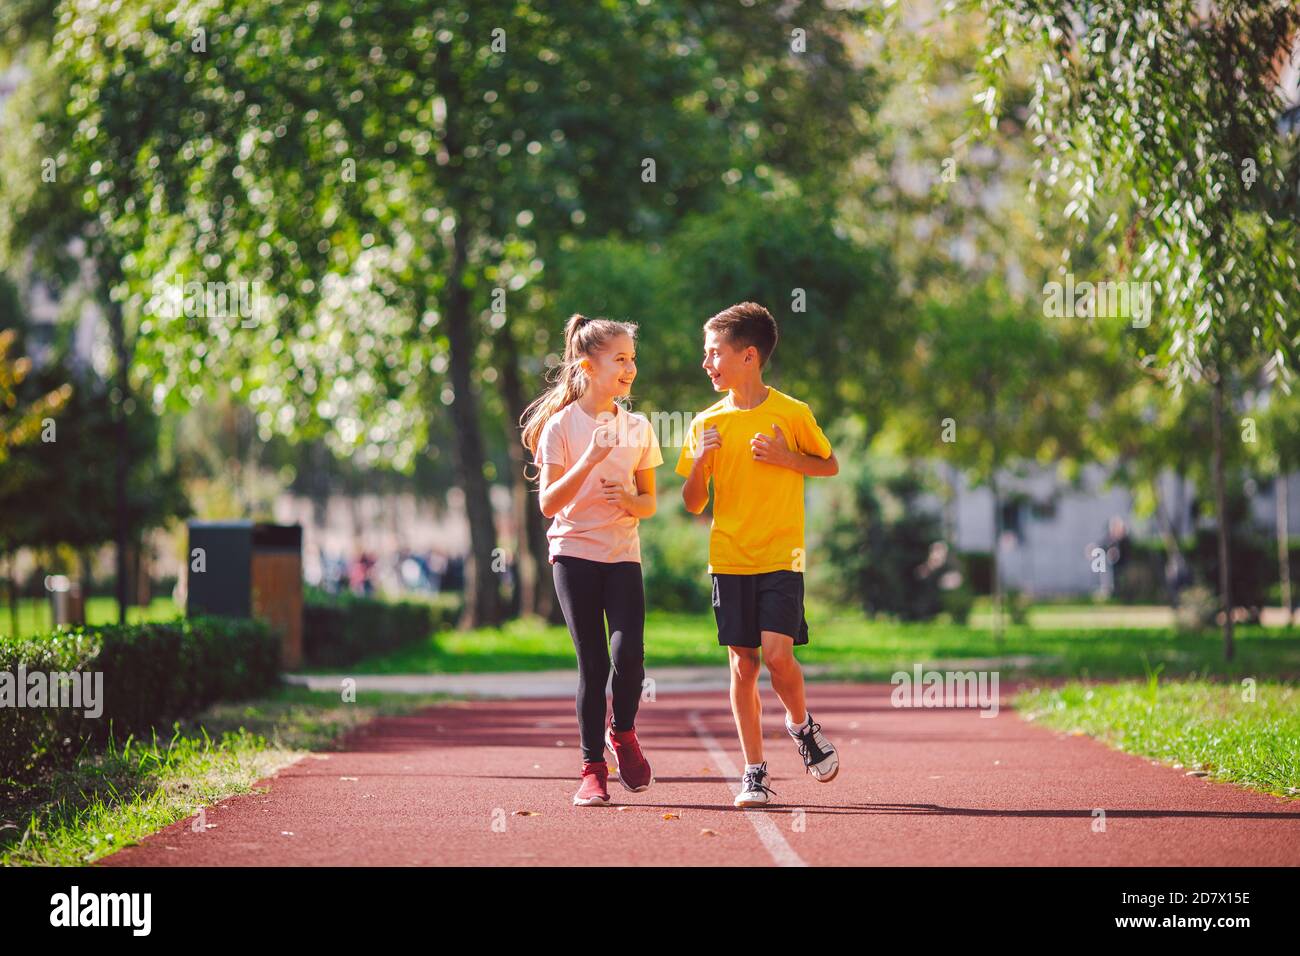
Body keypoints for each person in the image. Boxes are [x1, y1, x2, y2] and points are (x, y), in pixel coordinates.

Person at [676, 302, 841, 808]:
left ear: (748, 356)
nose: (706, 363)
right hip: (729, 558)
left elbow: (828, 464)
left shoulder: (792, 413)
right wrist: (702, 461)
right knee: (744, 666)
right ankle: (754, 771)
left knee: (776, 656)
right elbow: (692, 502)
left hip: (781, 554)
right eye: (705, 354)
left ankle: (800, 724)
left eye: (713, 353)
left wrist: (785, 457)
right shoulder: (706, 421)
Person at [520, 314, 663, 807]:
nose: (630, 369)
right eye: (619, 359)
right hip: (574, 555)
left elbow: (649, 503)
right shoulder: (561, 426)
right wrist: (589, 461)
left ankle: (621, 733)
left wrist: (628, 498)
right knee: (595, 664)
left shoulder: (640, 427)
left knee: (630, 659)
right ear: (588, 365)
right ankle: (592, 770)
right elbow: (548, 504)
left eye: (632, 359)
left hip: (623, 556)